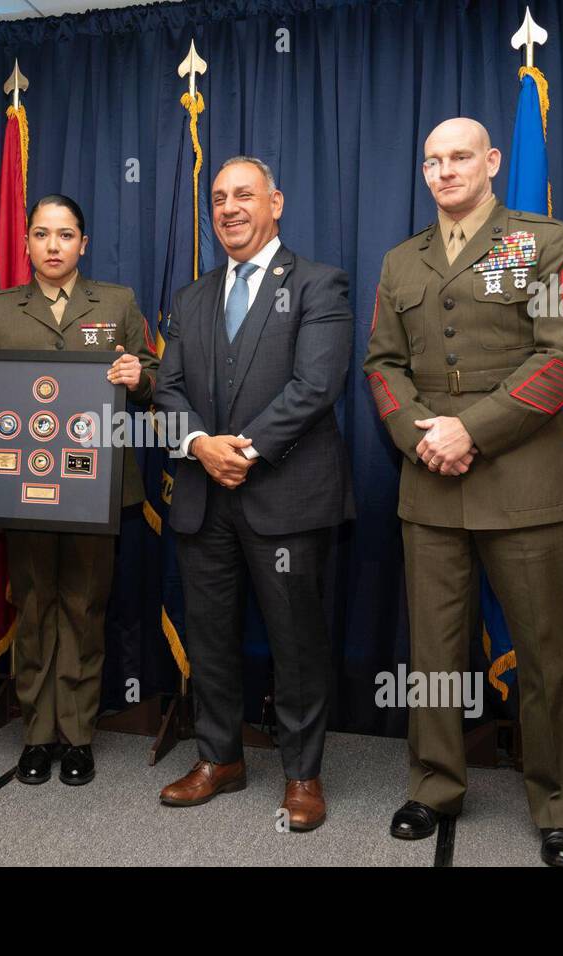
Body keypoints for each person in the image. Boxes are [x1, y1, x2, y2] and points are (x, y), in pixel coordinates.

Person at [363, 117, 563, 867]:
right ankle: (433, 785)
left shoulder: (546, 242)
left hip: (524, 477)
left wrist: (472, 429)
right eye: (431, 160)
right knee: (432, 654)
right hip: (428, 477)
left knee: (546, 652)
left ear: (492, 161)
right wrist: (419, 436)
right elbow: (381, 365)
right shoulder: (402, 260)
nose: (444, 171)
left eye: (459, 156)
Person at [154, 157, 355, 831]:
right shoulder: (191, 298)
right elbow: (167, 388)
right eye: (218, 198)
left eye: (244, 195)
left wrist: (240, 450)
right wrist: (200, 447)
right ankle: (221, 759)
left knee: (296, 643)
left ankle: (302, 775)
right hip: (203, 497)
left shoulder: (320, 284)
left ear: (276, 202)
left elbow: (317, 385)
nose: (229, 207)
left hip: (287, 497)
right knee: (210, 640)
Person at [0, 195, 158, 786]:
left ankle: (78, 735)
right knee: (34, 608)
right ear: (27, 242)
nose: (54, 245)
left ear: (83, 243)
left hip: (96, 490)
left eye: (66, 235)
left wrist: (139, 376)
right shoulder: (0, 310)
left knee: (85, 610)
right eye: (42, 234)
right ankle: (37, 733)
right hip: (24, 487)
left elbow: (156, 378)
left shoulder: (116, 303)